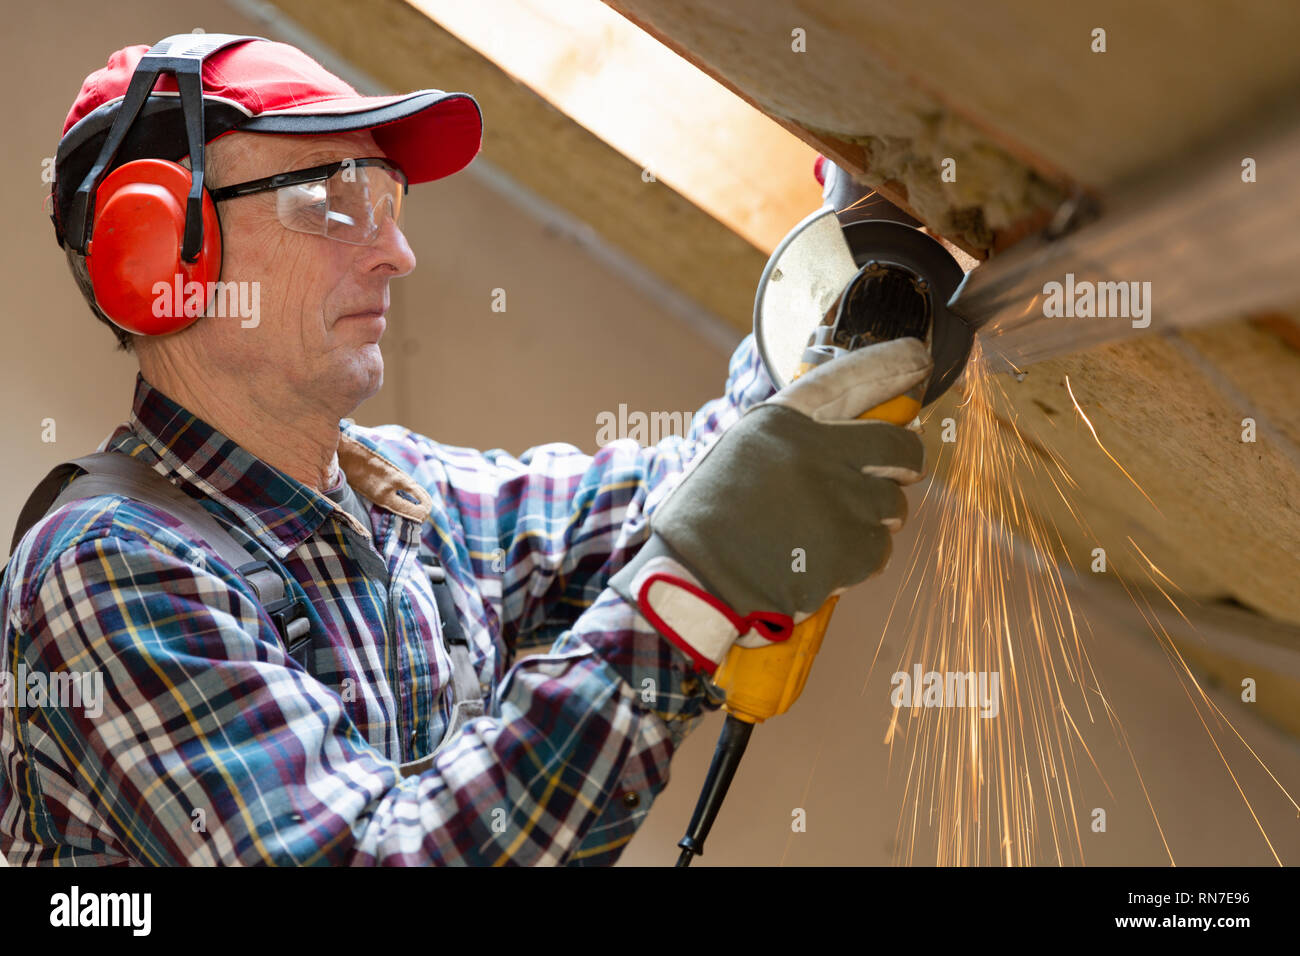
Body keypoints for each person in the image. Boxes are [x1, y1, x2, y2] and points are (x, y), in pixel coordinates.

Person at [0, 35, 931, 865]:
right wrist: (691, 590)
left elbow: (700, 493)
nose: (395, 251)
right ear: (155, 252)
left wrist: (838, 268)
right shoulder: (106, 567)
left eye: (388, 198)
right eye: (332, 201)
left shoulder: (404, 502)